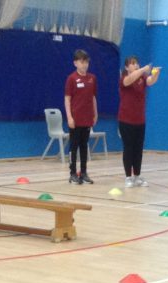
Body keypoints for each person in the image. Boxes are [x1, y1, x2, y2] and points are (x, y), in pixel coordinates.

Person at [118, 56, 160, 187]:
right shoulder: (124, 78)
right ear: (126, 67)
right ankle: (128, 177)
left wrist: (155, 74)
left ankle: (137, 176)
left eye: (137, 63)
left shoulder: (142, 77)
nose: (136, 65)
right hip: (126, 120)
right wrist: (143, 69)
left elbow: (150, 81)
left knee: (138, 149)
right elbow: (129, 80)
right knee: (128, 148)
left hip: (140, 120)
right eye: (132, 64)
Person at [65, 49, 97, 185]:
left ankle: (83, 173)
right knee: (74, 146)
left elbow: (93, 97)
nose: (84, 65)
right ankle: (72, 173)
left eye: (86, 62)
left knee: (84, 146)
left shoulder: (92, 78)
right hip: (75, 119)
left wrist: (95, 114)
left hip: (87, 118)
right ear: (75, 63)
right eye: (82, 62)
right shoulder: (71, 78)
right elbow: (67, 99)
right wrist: (69, 117)